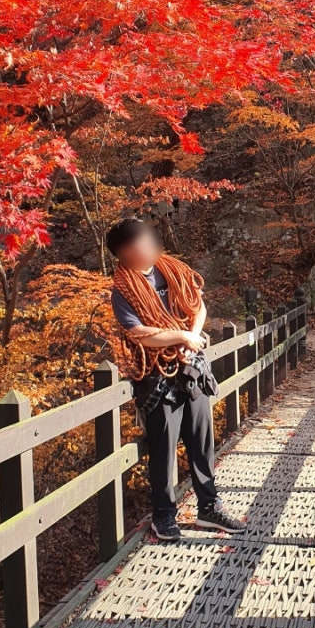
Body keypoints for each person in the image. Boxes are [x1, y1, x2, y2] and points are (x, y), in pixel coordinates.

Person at [106, 217, 246, 542]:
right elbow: (138, 333)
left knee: (201, 440)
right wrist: (179, 338)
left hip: (191, 367)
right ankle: (163, 516)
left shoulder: (172, 270)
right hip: (159, 377)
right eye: (142, 240)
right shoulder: (123, 290)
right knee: (164, 449)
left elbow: (198, 306)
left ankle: (209, 507)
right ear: (126, 252)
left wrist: (190, 339)